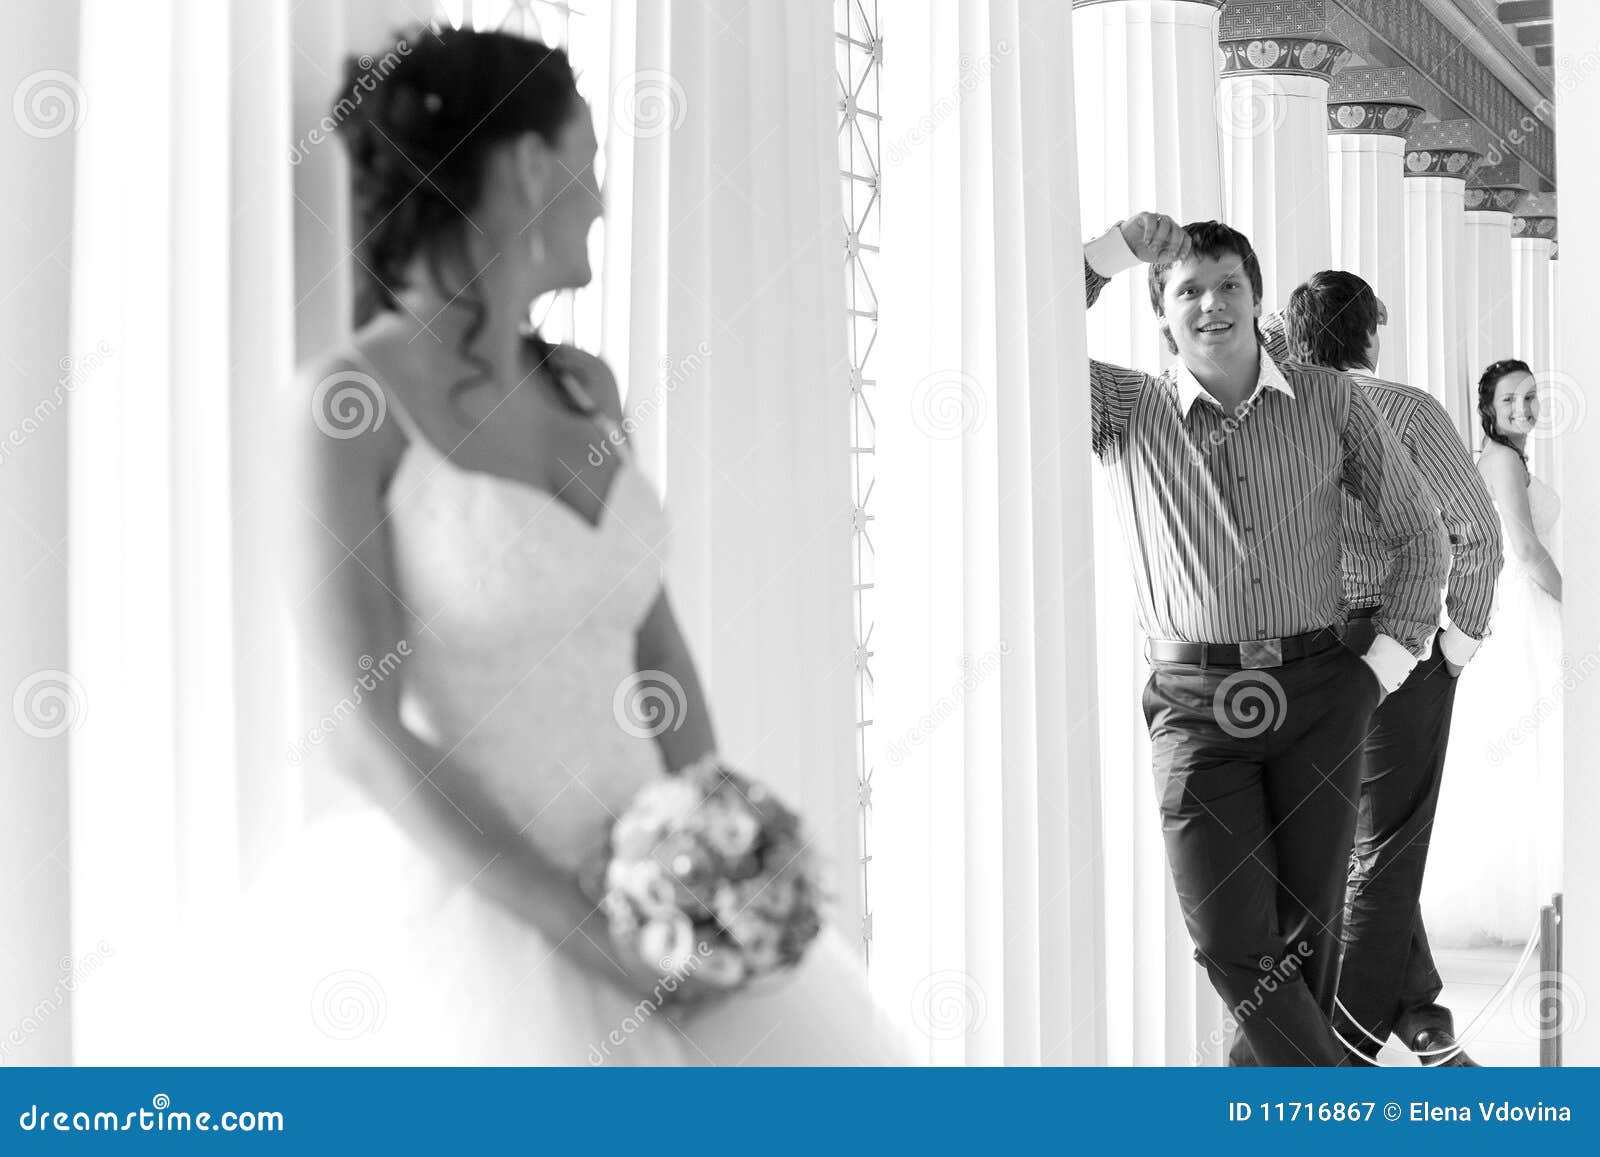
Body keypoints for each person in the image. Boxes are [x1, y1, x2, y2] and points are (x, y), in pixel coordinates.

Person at [157, 26, 909, 1066]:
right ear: (527, 164)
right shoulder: (346, 404)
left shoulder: (585, 386)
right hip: (487, 925)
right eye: (590, 161)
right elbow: (358, 727)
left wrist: (727, 863)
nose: (600, 197)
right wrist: (591, 937)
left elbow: (655, 643)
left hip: (653, 888)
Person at [1081, 213, 1449, 1065]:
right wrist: (1110, 254)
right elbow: (1025, 328)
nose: (1211, 304)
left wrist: (1379, 669)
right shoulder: (1124, 407)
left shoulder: (1328, 399)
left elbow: (1419, 531)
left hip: (1322, 689)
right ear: (1161, 313)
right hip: (1193, 706)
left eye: (1229, 285)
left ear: (1255, 296)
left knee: (1309, 934)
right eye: (1188, 290)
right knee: (1230, 935)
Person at [1268, 273, 1503, 1066]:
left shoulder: (1278, 414)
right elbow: (1477, 534)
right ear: (1371, 329)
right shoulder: (1403, 408)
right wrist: (1458, 646)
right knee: (1387, 845)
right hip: (1395, 643)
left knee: (1349, 840)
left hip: (1299, 654)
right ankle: (1348, 1047)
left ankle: (1420, 1012)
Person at [1423, 360, 1564, 953]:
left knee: (1527, 746)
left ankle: (1536, 889)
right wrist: (1578, 605)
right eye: (1510, 399)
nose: (1522, 408)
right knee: (1536, 744)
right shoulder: (1502, 461)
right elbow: (1526, 549)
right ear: (1487, 408)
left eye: (1530, 396)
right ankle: (1536, 893)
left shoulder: (1505, 458)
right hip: (1525, 605)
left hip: (1513, 607)